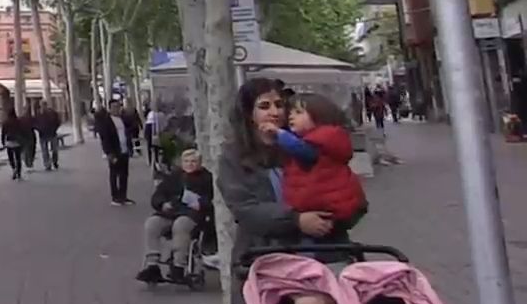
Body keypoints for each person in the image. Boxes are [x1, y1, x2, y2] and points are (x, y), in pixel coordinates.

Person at [218, 77, 334, 285]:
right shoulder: (233, 156)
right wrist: (296, 220)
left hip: (320, 252)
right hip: (263, 256)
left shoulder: (303, 146)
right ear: (248, 114)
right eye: (264, 106)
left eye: (279, 105)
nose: (275, 112)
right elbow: (245, 209)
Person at [277, 93, 368, 239]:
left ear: (318, 116)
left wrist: (278, 134)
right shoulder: (323, 137)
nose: (291, 117)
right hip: (329, 207)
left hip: (325, 207)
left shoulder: (321, 138)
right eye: (291, 112)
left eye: (299, 112)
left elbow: (299, 149)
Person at [136, 147, 214, 285]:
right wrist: (162, 204)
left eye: (193, 161)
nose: (190, 164)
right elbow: (158, 195)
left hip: (192, 214)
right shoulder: (174, 177)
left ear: (200, 163)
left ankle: (178, 266)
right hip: (171, 212)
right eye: (186, 161)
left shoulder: (207, 179)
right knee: (152, 224)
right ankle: (152, 265)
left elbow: (211, 201)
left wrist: (200, 203)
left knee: (181, 225)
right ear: (182, 163)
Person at [94, 99, 133, 205]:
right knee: (114, 174)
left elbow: (129, 130)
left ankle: (123, 196)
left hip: (124, 150)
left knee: (124, 175)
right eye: (114, 107)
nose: (116, 109)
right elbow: (105, 139)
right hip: (114, 152)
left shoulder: (123, 119)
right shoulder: (106, 121)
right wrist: (109, 153)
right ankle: (115, 197)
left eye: (118, 106)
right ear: (110, 108)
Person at [0, 109, 26, 181]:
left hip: (9, 141)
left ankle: (14, 168)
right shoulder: (18, 121)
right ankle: (19, 173)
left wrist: (3, 141)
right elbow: (22, 131)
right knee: (18, 158)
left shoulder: (5, 122)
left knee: (11, 157)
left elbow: (3, 133)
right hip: (17, 141)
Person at [35, 103, 62, 171]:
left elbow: (58, 121)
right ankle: (48, 164)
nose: (43, 107)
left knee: (53, 150)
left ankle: (53, 162)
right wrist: (39, 129)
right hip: (45, 134)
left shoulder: (52, 113)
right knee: (45, 150)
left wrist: (55, 128)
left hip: (51, 133)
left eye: (44, 105)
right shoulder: (39, 114)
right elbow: (35, 123)